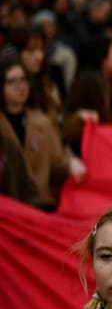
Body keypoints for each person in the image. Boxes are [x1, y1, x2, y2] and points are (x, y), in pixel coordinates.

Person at [0, 55, 84, 206]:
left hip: (40, 204)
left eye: (23, 79)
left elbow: (57, 163)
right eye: (12, 81)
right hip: (8, 207)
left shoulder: (43, 122)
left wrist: (70, 163)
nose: (21, 86)